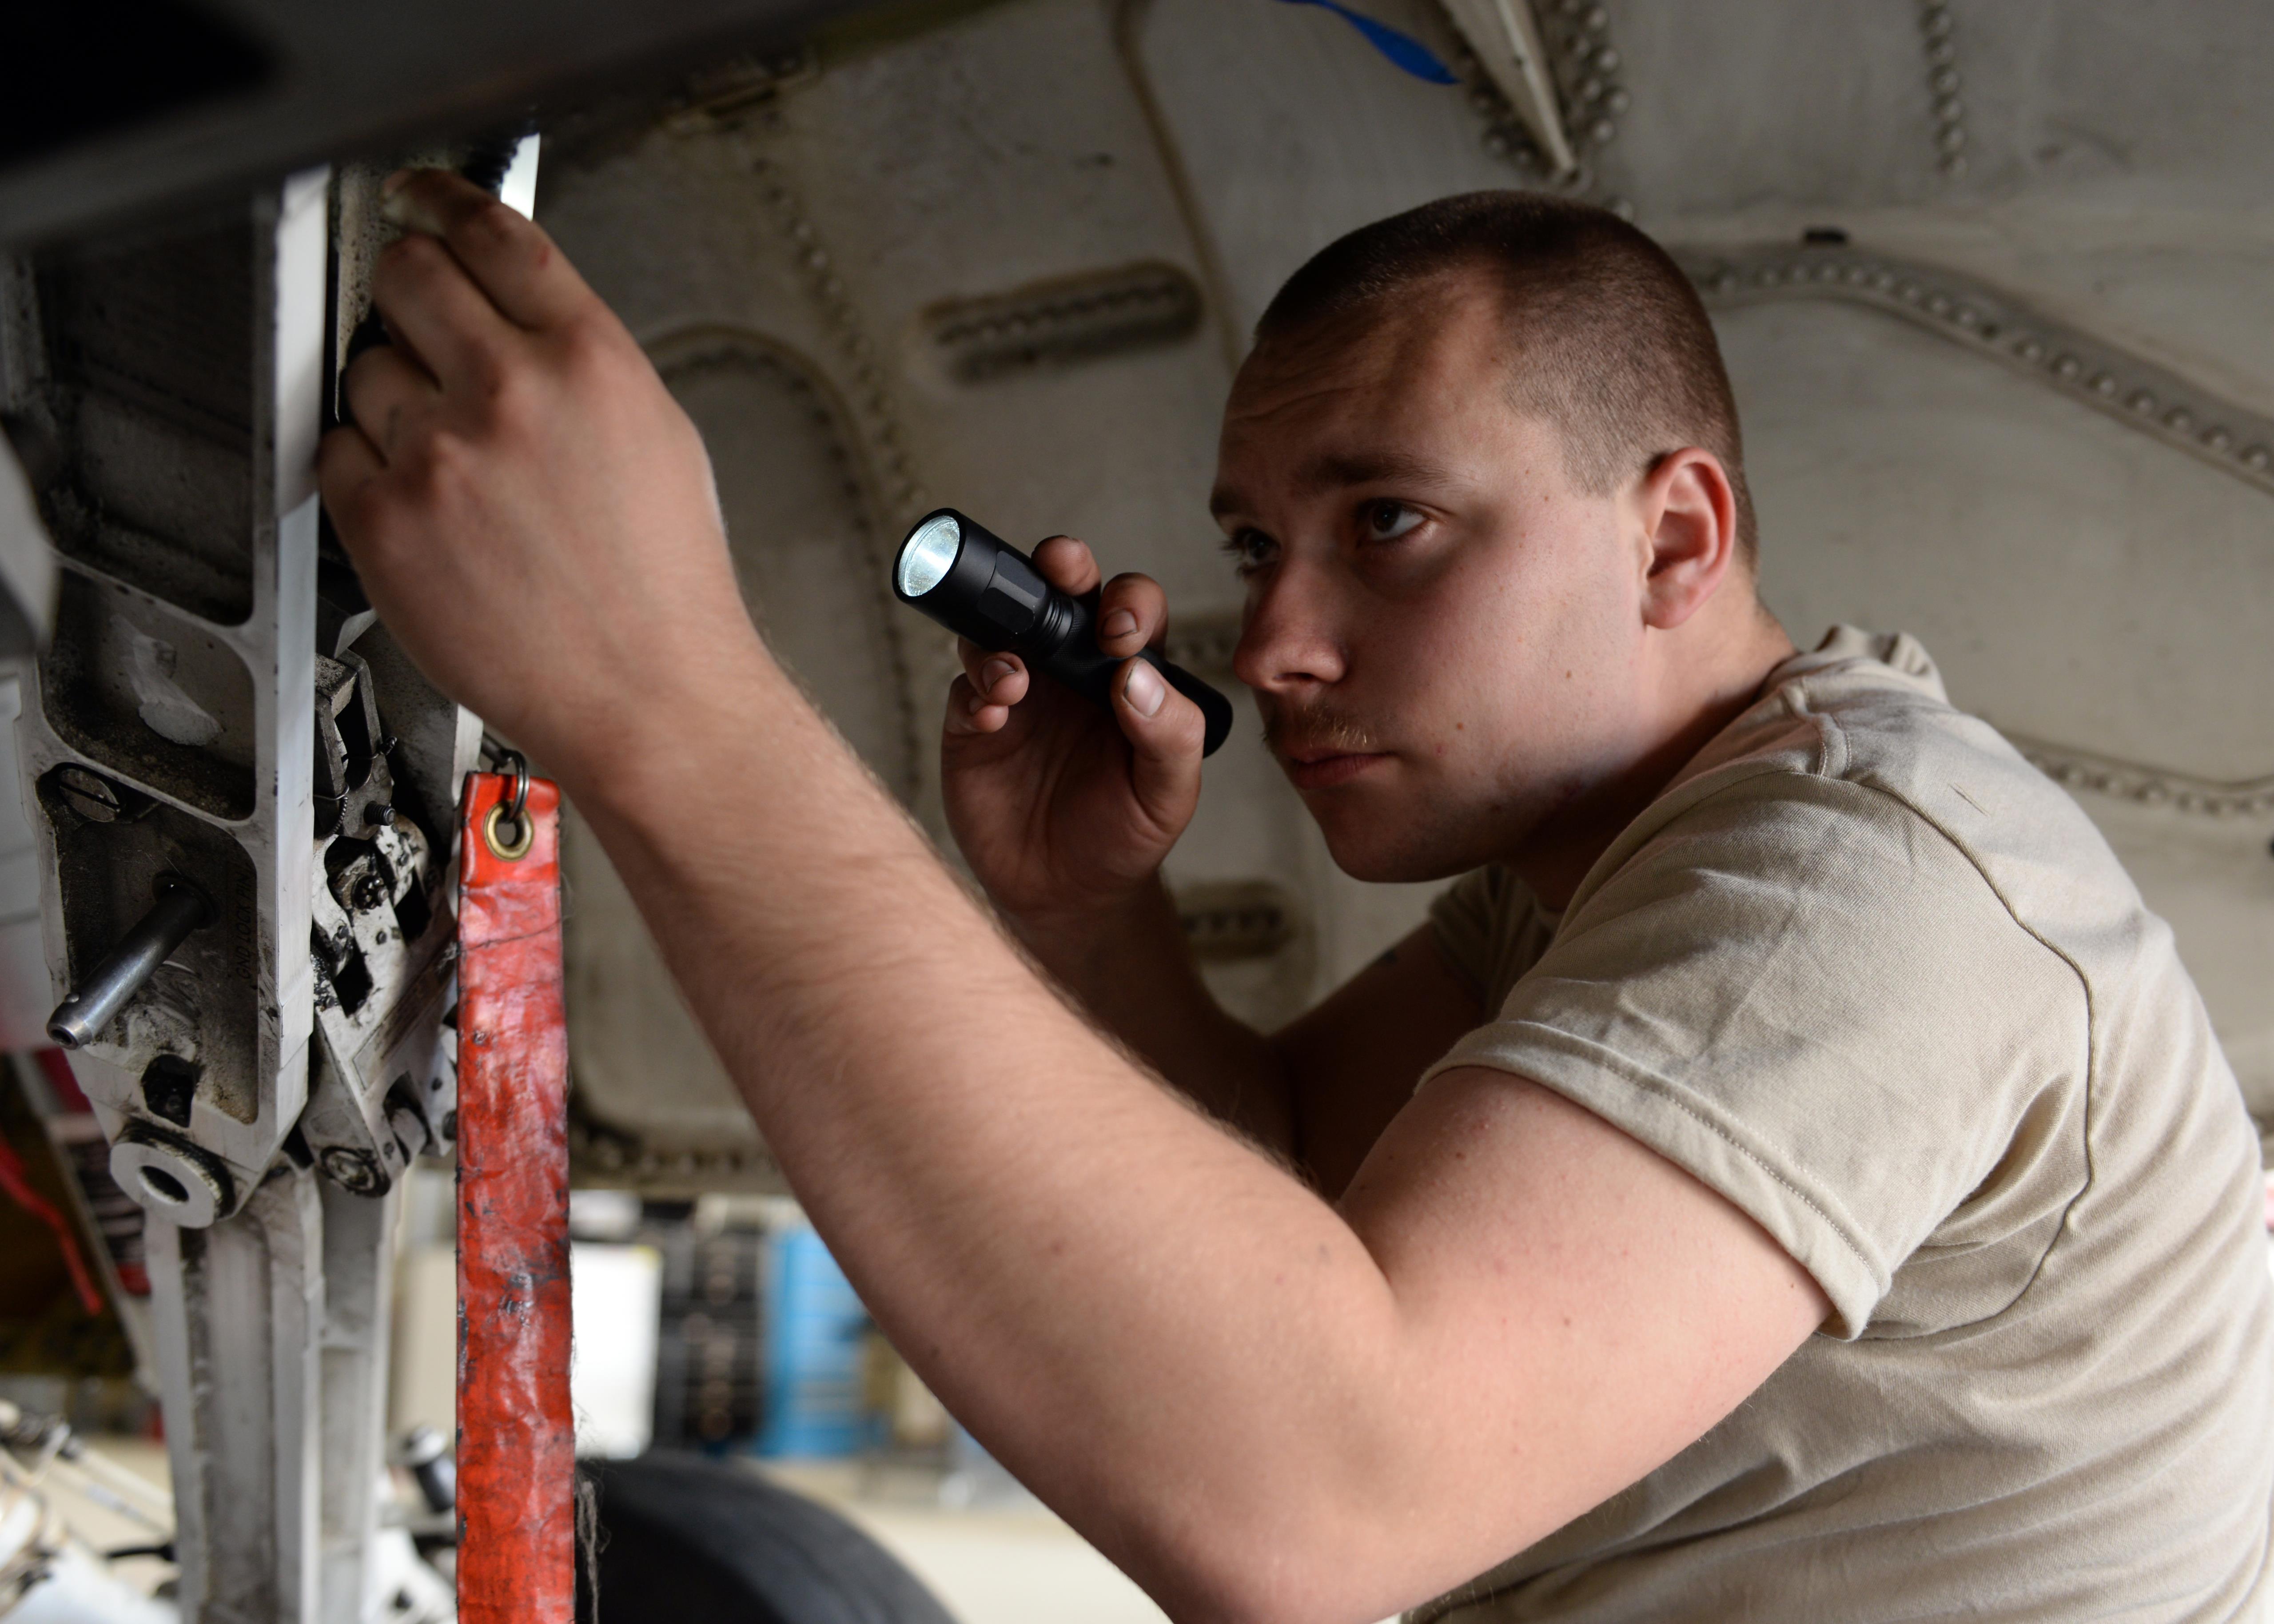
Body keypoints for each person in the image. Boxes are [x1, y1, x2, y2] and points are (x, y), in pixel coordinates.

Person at [323, 175, 2273, 1621]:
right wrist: (1088, 915)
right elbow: (1304, 1208)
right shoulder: (1612, 871)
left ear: (1672, 532)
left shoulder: (1867, 877)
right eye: (1258, 545)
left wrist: (670, 698)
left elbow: (1314, 1494)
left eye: (1388, 523)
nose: (1275, 642)